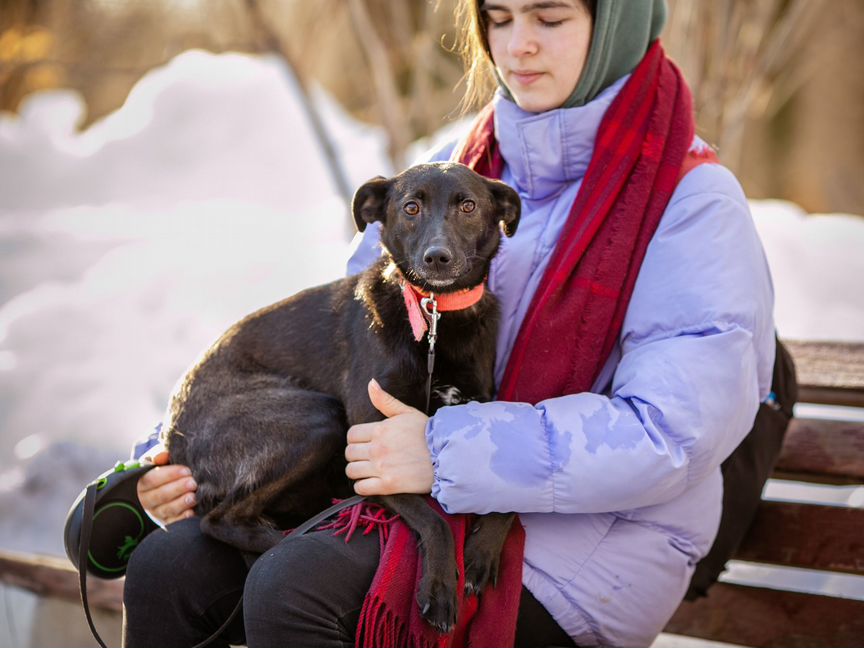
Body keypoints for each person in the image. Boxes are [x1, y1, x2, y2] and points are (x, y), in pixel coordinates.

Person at [122, 1, 777, 646]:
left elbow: (668, 435)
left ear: (614, 26)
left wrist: (446, 451)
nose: (518, 44)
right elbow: (344, 326)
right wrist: (170, 453)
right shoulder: (462, 158)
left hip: (592, 543)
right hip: (412, 489)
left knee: (296, 589)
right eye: (499, 18)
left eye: (549, 19)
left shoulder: (693, 203)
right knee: (168, 569)